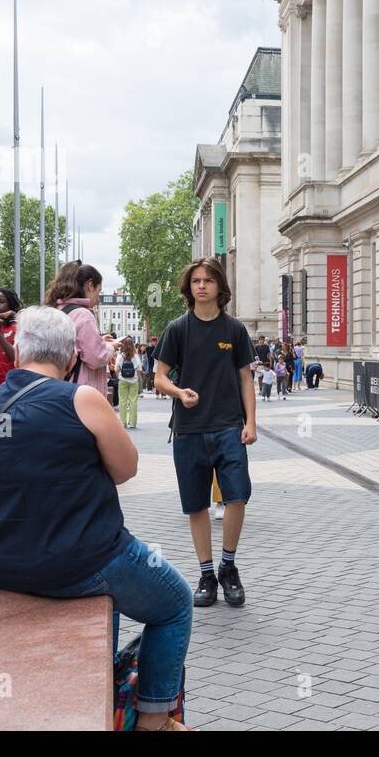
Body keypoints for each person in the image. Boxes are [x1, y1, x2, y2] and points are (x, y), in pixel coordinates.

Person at [0, 306, 192, 731]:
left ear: (16, 354)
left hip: (4, 563)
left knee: (111, 592)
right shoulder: (82, 398)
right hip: (84, 559)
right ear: (71, 359)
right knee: (175, 603)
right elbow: (126, 469)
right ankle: (153, 719)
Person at [153, 257, 258, 609]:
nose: (201, 286)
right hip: (188, 430)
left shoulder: (234, 330)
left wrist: (251, 422)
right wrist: (179, 392)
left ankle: (229, 566)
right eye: (196, 281)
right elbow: (159, 377)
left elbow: (246, 377)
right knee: (196, 505)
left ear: (220, 287)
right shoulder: (177, 329)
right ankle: (206, 574)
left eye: (208, 280)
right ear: (189, 287)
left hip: (229, 427)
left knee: (237, 497)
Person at [46, 260, 116, 391]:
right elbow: (97, 358)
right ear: (90, 285)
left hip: (57, 388)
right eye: (99, 291)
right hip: (80, 393)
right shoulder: (83, 315)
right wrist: (110, 346)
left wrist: (100, 341)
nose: (99, 297)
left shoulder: (56, 311)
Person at [115, 338, 143, 430]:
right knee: (133, 401)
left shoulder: (120, 356)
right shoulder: (135, 356)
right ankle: (132, 423)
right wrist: (138, 378)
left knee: (122, 401)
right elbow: (139, 369)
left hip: (123, 380)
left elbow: (116, 369)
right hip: (134, 381)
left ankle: (123, 423)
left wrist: (119, 376)